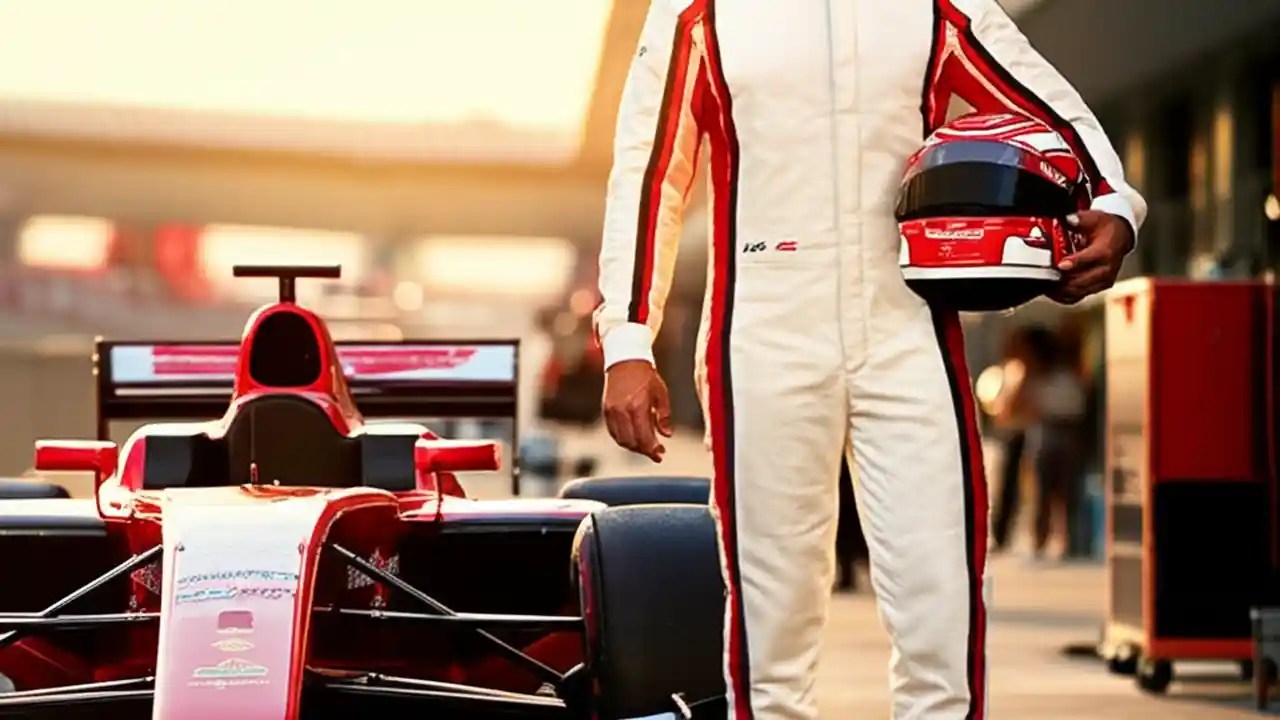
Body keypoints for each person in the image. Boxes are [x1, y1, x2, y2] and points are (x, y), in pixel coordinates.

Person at [594, 1, 1147, 717]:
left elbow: (1040, 95)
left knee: (942, 601)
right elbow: (650, 171)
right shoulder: (699, 9)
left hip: (908, 322)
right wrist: (629, 338)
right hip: (762, 329)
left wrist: (1114, 201)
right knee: (771, 620)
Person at [1024, 326, 1088, 560]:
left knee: (1065, 491)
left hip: (1060, 433)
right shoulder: (1041, 375)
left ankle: (1066, 541)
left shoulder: (1070, 374)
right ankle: (1042, 540)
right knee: (1045, 492)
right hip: (1050, 433)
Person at [989, 328, 1033, 553]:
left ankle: (1004, 533)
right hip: (1011, 431)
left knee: (1011, 485)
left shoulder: (1020, 370)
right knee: (1007, 485)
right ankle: (1001, 532)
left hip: (1018, 432)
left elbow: (1013, 403)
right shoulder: (1012, 368)